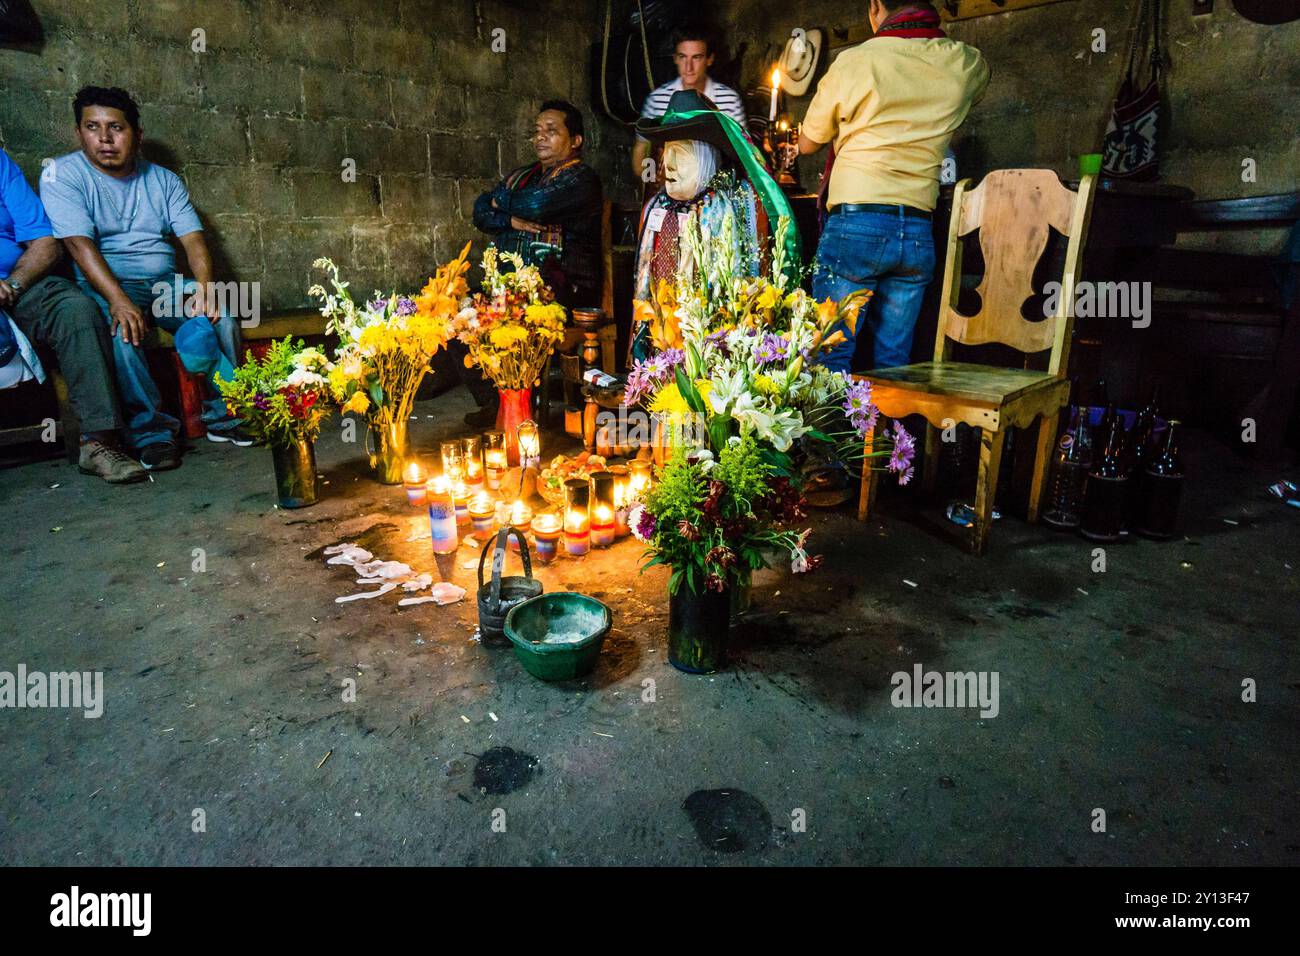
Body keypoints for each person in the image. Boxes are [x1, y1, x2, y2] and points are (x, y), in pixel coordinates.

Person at [40, 86, 252, 472]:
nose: (104, 138)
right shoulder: (62, 174)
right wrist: (118, 300)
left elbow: (193, 240)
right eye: (92, 127)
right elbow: (77, 244)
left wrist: (204, 290)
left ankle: (228, 415)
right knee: (122, 332)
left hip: (163, 285)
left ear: (137, 135)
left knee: (223, 313)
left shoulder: (165, 181)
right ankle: (152, 434)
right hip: (103, 284)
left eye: (116, 128)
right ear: (78, 133)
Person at [799, 0, 989, 373]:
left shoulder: (855, 62)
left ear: (875, 7)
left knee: (829, 358)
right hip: (918, 231)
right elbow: (976, 82)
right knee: (893, 363)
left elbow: (807, 143)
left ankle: (838, 432)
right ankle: (887, 432)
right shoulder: (965, 63)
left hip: (856, 227)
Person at [0, 147, 146, 483]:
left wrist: (13, 284)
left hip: (16, 284)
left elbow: (45, 241)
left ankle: (97, 442)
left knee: (75, 308)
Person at [469, 99, 603, 427]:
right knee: (461, 314)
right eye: (537, 131)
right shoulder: (523, 176)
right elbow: (480, 213)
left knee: (510, 311)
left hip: (566, 283)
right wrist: (511, 221)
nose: (540, 137)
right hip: (516, 282)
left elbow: (538, 206)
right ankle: (497, 400)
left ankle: (522, 402)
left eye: (551, 131)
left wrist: (499, 201)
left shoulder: (582, 180)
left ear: (575, 141)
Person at [631, 24, 747, 182]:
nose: (689, 67)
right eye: (682, 56)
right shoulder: (658, 99)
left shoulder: (728, 99)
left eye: (696, 57)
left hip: (717, 191)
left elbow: (744, 153)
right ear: (675, 58)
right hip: (669, 189)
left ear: (709, 59)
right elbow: (642, 150)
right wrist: (654, 180)